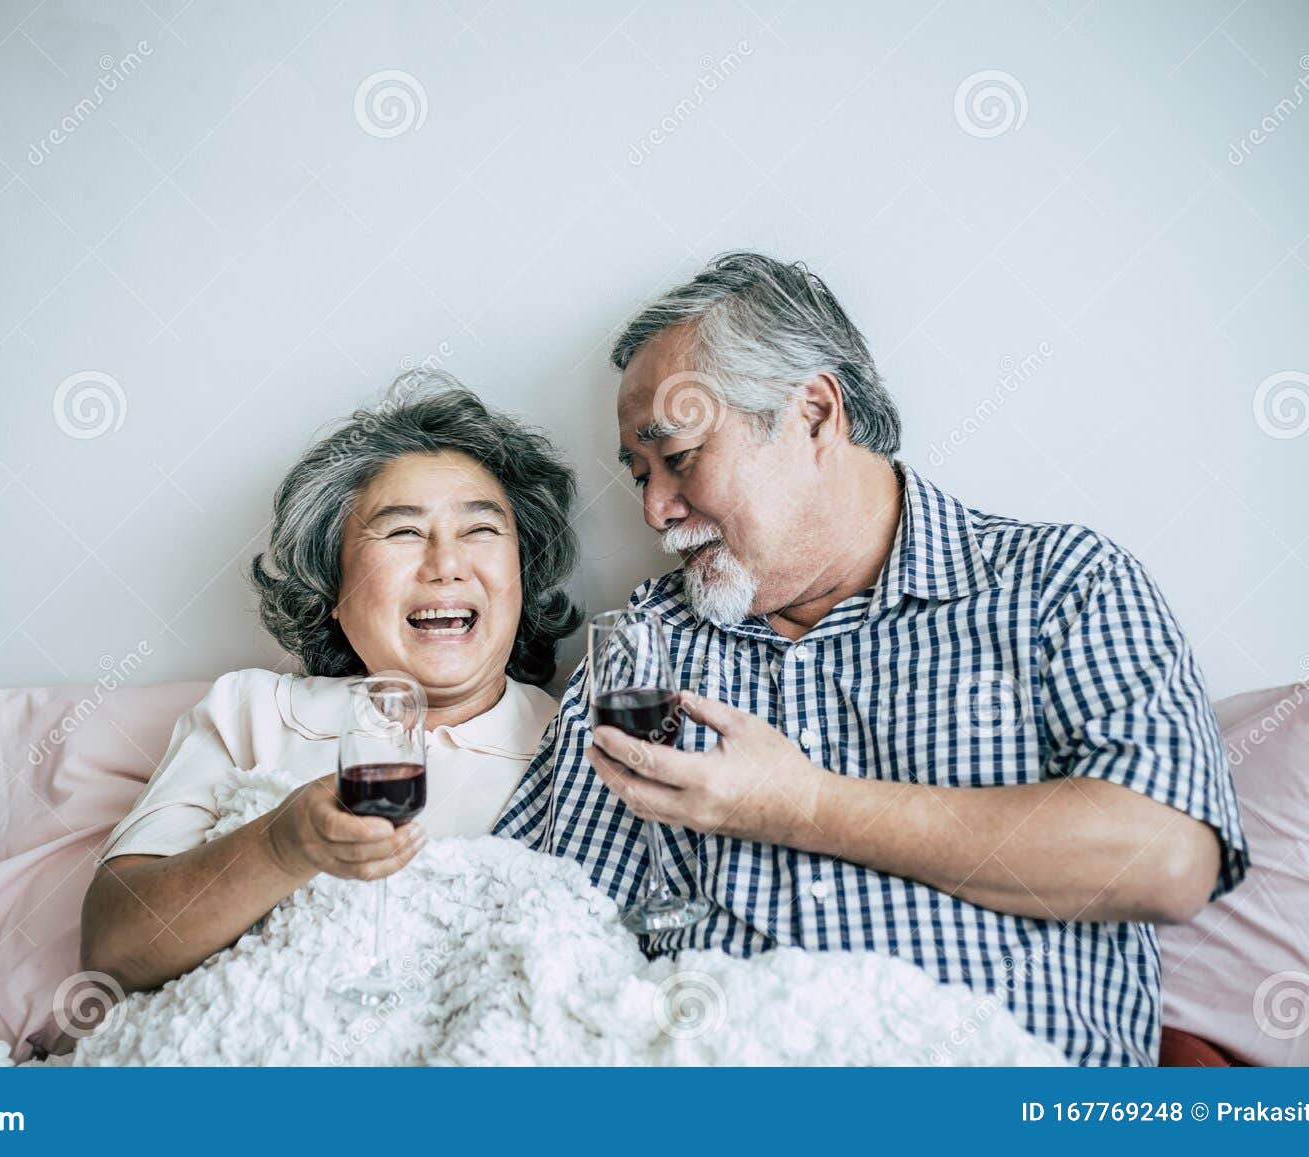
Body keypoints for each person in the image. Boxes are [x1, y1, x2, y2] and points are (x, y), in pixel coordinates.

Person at [494, 252, 1247, 1066]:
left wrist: (806, 806)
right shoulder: (648, 642)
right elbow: (544, 931)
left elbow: (1169, 859)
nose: (654, 510)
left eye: (678, 459)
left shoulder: (1058, 586)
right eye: (640, 474)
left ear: (815, 413)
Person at [81, 374, 582, 992]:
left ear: (523, 577)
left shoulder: (578, 744)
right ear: (335, 591)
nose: (446, 565)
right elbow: (111, 947)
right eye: (402, 532)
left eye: (480, 530)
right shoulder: (251, 712)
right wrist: (283, 846)